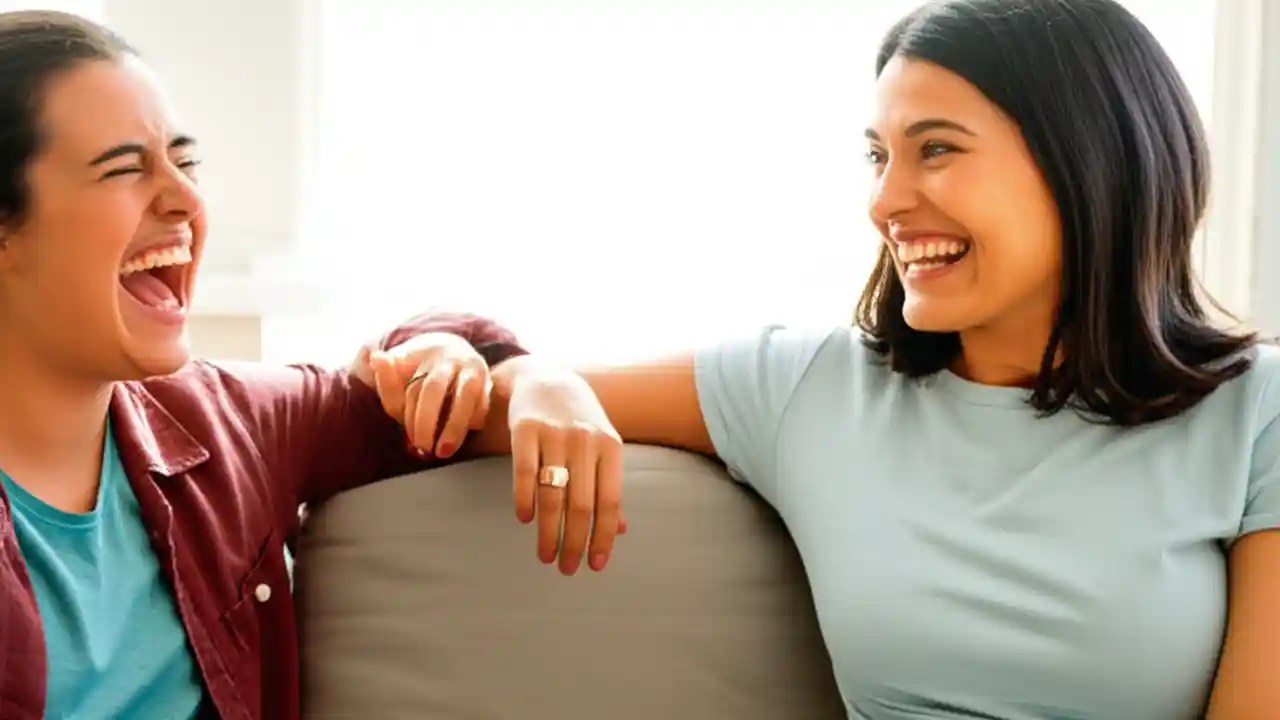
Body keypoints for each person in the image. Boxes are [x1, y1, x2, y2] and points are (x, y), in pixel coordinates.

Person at [462, 0, 1280, 717]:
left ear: (1090, 162)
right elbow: (459, 413)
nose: (884, 202)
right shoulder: (809, 387)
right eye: (879, 157)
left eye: (937, 149)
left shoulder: (1255, 414)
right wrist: (536, 375)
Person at [0, 11, 624, 720]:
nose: (186, 200)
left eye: (185, 163)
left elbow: (390, 389)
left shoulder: (219, 424)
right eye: (123, 169)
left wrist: (534, 378)